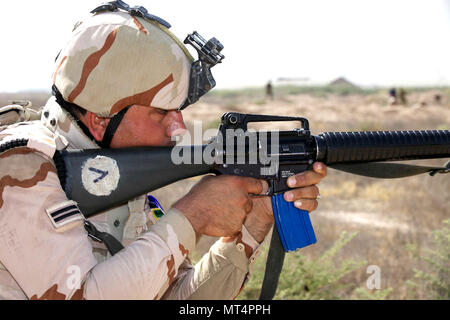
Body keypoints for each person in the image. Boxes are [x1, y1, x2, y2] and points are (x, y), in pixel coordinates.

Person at [0, 2, 327, 300]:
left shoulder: (115, 174)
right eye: (161, 113)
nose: (179, 129)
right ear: (101, 119)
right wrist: (193, 215)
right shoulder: (19, 170)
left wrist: (255, 221)